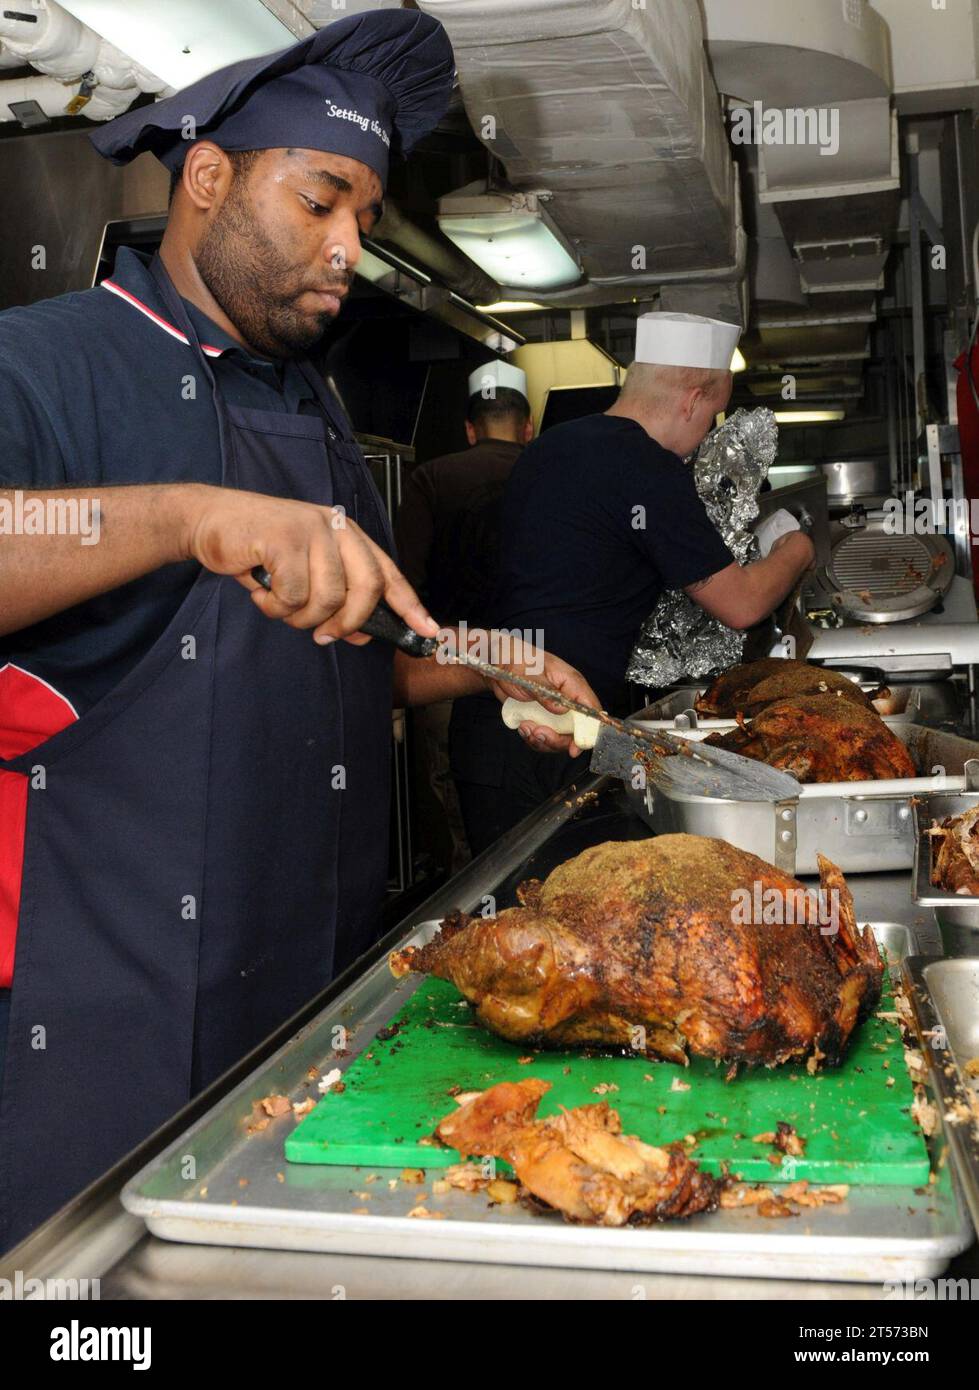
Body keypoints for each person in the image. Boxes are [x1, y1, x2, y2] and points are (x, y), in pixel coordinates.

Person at [0, 11, 597, 1252]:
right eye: (321, 199)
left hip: (306, 989)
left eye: (363, 218)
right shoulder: (50, 366)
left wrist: (480, 667)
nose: (347, 248)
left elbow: (316, 677)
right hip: (105, 1022)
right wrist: (184, 516)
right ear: (206, 178)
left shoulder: (310, 402)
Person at [450, 311, 816, 853]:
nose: (704, 434)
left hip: (488, 726)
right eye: (711, 415)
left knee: (511, 915)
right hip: (553, 730)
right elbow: (741, 604)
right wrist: (798, 548)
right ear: (691, 399)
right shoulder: (649, 467)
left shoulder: (551, 446)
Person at [394, 360, 533, 872]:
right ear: (528, 426)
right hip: (545, 669)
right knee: (542, 807)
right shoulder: (550, 471)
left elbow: (404, 583)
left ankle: (472, 911)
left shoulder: (432, 478)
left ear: (470, 429)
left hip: (448, 672)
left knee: (463, 823)